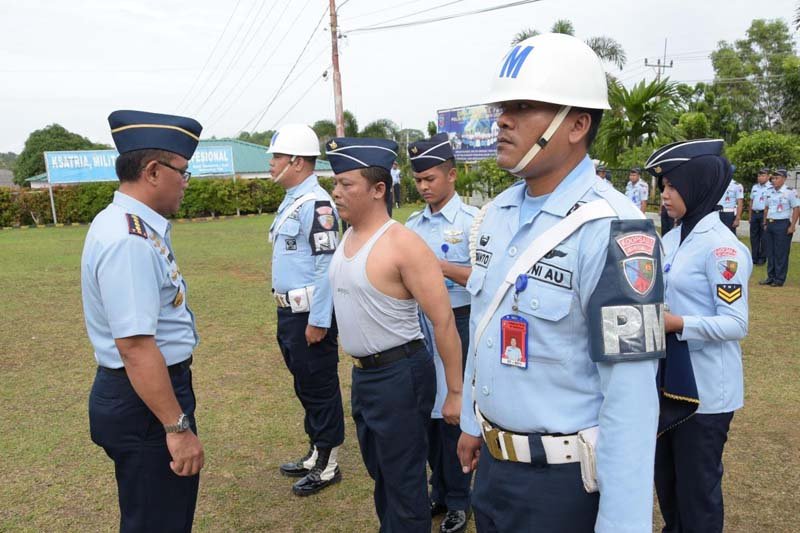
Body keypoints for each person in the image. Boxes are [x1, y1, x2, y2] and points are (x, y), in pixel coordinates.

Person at [457, 33, 664, 532]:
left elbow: (632, 399)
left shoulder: (617, 230)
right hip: (493, 468)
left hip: (562, 487)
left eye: (524, 107)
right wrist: (470, 421)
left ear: (576, 124)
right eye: (503, 106)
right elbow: (484, 326)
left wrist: (623, 524)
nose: (502, 119)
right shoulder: (498, 214)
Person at [326, 137, 465, 532]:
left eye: (346, 184)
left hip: (399, 373)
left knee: (404, 483)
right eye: (334, 183)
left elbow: (443, 321)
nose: (336, 192)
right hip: (364, 376)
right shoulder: (348, 237)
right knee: (382, 475)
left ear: (378, 189)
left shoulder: (402, 243)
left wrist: (454, 392)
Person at [83, 110, 205, 532]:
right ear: (153, 171)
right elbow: (135, 347)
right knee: (158, 521)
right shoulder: (129, 239)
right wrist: (176, 427)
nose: (186, 183)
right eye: (182, 172)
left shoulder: (128, 225)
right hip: (146, 404)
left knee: (153, 514)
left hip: (144, 396)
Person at [645, 138, 751, 533]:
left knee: (697, 492)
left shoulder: (723, 249)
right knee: (668, 486)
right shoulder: (671, 239)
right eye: (664, 187)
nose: (665, 196)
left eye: (673, 187)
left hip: (706, 392)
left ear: (698, 186)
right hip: (670, 382)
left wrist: (679, 324)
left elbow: (736, 324)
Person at [267, 124, 345, 495]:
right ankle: (317, 451)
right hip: (290, 314)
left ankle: (328, 464)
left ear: (297, 161)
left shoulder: (317, 205)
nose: (271, 164)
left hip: (308, 315)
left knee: (320, 388)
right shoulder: (294, 200)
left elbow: (326, 266)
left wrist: (318, 321)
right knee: (306, 386)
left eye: (277, 157)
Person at [405, 133, 476, 533]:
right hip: (419, 325)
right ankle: (438, 487)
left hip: (459, 320)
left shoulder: (473, 222)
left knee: (454, 411)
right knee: (427, 411)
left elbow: (486, 276)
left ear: (452, 175)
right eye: (419, 181)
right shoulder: (412, 225)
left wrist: (438, 268)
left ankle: (459, 498)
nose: (424, 186)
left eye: (431, 178)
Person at [760, 168, 799, 287]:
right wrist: (765, 223)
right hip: (770, 224)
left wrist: (792, 225)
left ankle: (779, 278)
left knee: (780, 252)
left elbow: (796, 208)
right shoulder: (770, 191)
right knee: (770, 251)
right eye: (773, 178)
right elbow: (766, 208)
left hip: (782, 224)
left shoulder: (790, 192)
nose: (774, 180)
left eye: (777, 178)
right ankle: (770, 277)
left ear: (784, 179)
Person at [749, 168, 772, 265]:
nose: (760, 178)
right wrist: (750, 216)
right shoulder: (755, 187)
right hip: (755, 213)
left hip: (764, 214)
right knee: (754, 237)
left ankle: (762, 258)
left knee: (764, 237)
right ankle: (754, 257)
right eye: (759, 176)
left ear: (768, 176)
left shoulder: (771, 187)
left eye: (763, 175)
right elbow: (751, 201)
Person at [717, 165, 744, 234]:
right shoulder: (718, 184)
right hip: (717, 213)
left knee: (729, 236)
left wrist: (737, 218)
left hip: (729, 214)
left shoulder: (737, 185)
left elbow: (740, 203)